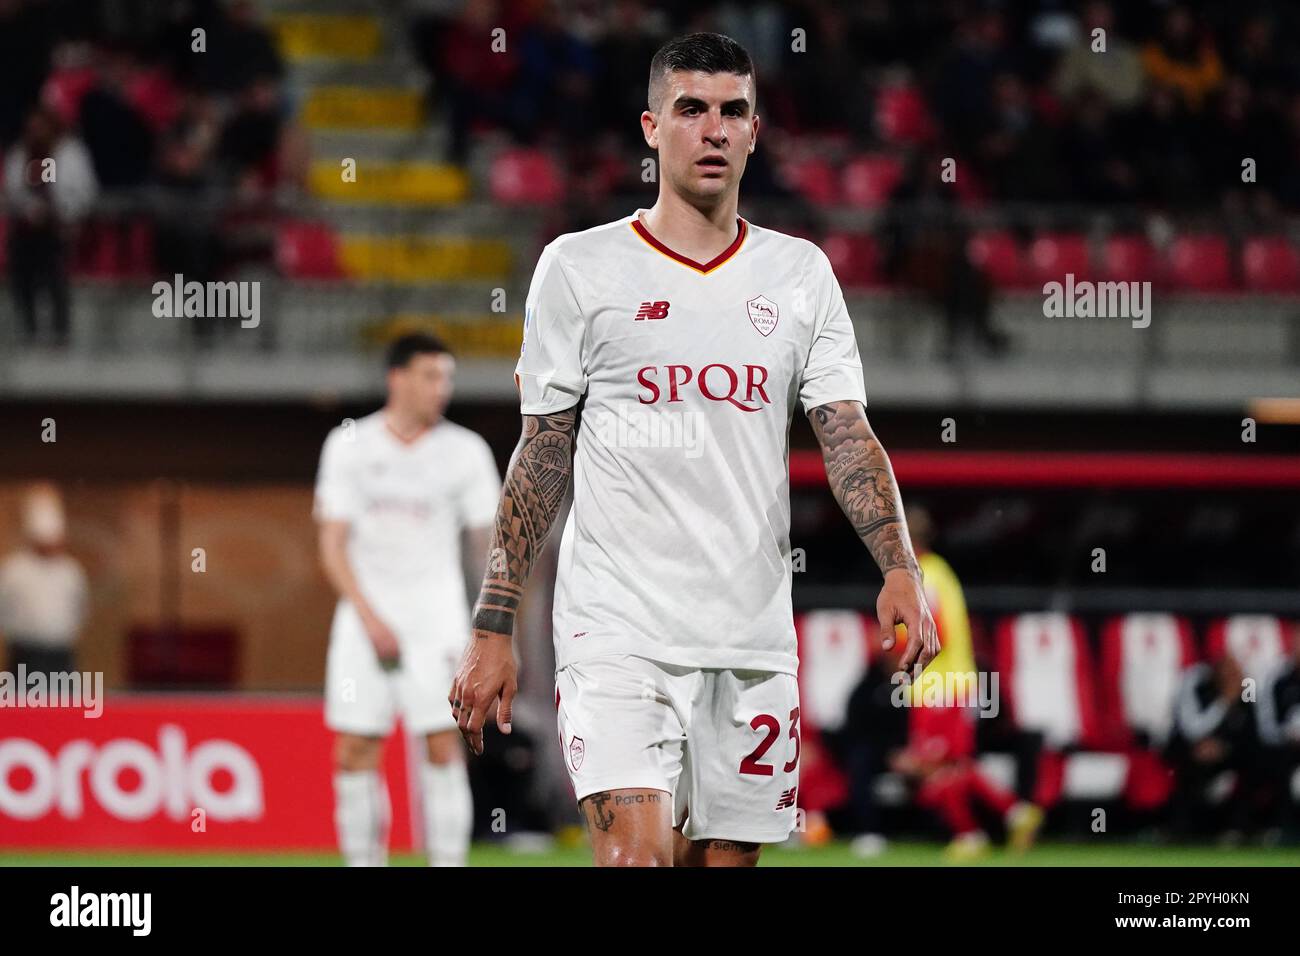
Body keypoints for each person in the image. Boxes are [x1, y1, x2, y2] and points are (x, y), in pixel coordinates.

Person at [451, 32, 938, 867]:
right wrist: (494, 624)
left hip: (749, 635)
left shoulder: (800, 275)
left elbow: (846, 433)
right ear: (651, 127)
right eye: (690, 110)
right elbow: (542, 454)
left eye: (732, 112)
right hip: (617, 628)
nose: (712, 129)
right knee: (636, 859)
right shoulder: (579, 268)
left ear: (755, 133)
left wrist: (900, 564)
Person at [314, 333, 501, 866]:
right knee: (354, 751)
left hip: (437, 620)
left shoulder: (465, 451)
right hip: (363, 619)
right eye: (430, 376)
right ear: (397, 377)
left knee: (443, 748)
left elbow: (487, 550)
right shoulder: (349, 444)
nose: (441, 388)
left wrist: (491, 627)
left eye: (447, 378)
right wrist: (369, 616)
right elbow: (331, 545)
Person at [0, 484, 88, 677]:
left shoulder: (70, 571)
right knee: (23, 706)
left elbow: (80, 609)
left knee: (64, 706)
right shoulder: (14, 569)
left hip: (61, 653)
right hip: (25, 653)